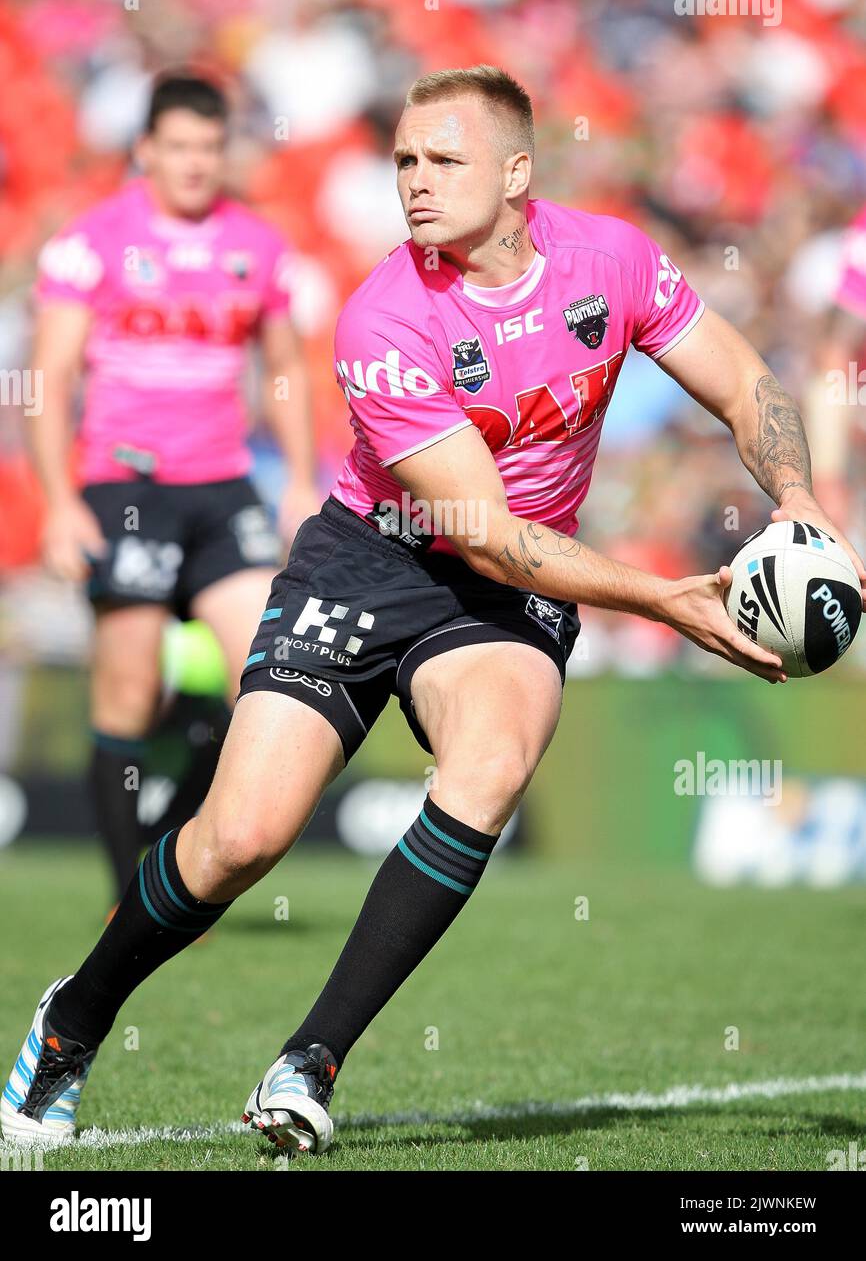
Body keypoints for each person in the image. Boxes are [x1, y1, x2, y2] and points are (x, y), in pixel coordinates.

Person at [4, 66, 864, 1155]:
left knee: (493, 756)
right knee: (239, 840)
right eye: (404, 160)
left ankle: (308, 1060)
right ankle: (73, 1019)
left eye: (441, 159)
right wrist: (663, 598)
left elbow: (747, 386)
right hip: (368, 565)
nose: (412, 181)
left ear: (516, 171)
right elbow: (488, 531)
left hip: (502, 594)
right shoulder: (382, 317)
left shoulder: (615, 262)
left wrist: (798, 504)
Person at [27, 72, 319, 913]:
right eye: (179, 147)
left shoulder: (257, 246)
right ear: (146, 149)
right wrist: (57, 498)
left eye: (210, 148)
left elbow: (286, 369)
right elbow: (48, 376)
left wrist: (299, 477)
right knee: (125, 694)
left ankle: (173, 857)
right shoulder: (94, 242)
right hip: (127, 487)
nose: (195, 164)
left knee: (269, 680)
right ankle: (131, 901)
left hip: (223, 487)